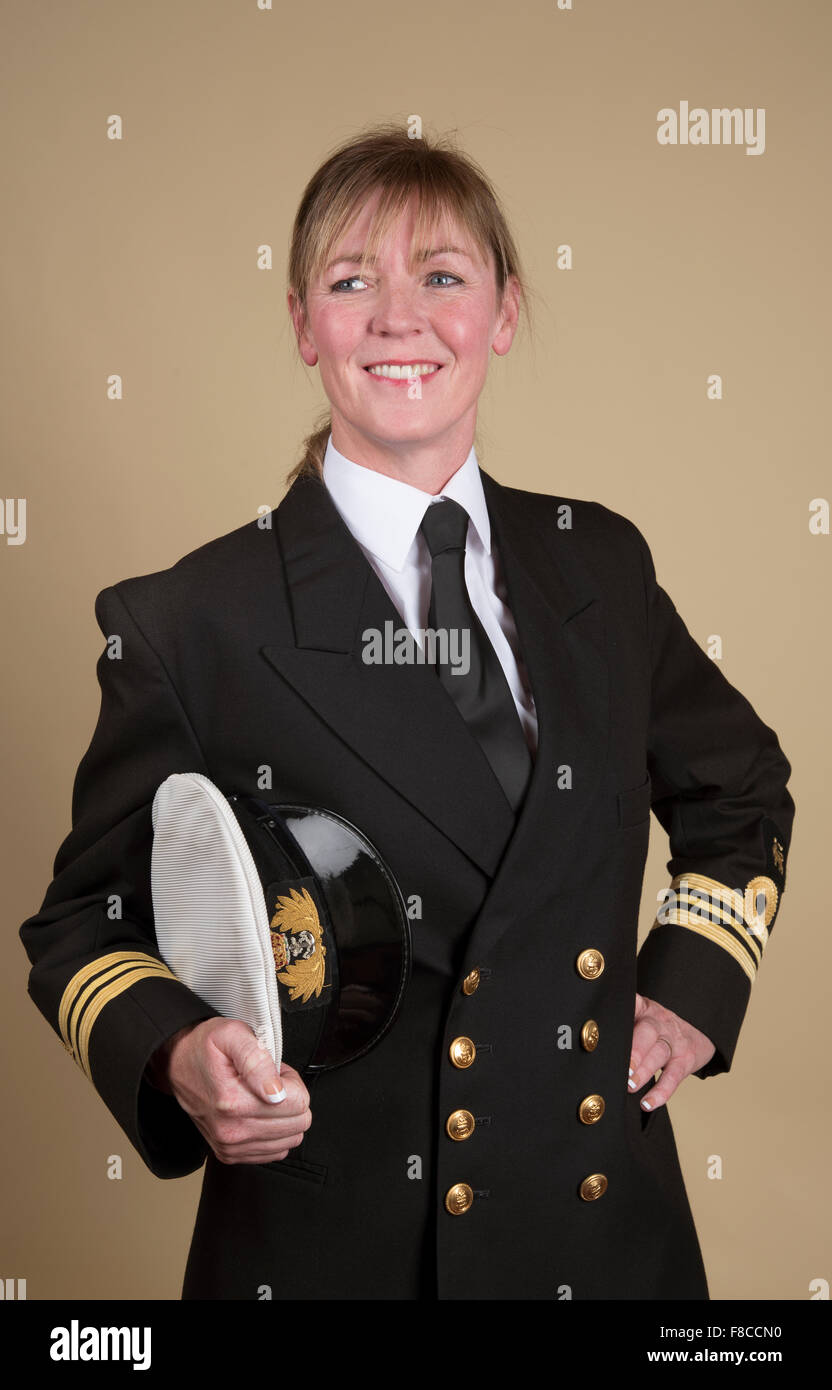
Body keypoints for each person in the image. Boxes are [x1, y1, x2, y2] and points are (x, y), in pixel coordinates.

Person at [19, 123, 795, 1300]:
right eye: (350, 281)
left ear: (503, 313)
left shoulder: (602, 564)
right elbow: (84, 924)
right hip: (341, 1254)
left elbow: (739, 789)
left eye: (441, 276)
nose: (398, 316)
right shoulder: (189, 619)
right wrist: (178, 1050)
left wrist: (690, 990)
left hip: (604, 1245)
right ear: (300, 326)